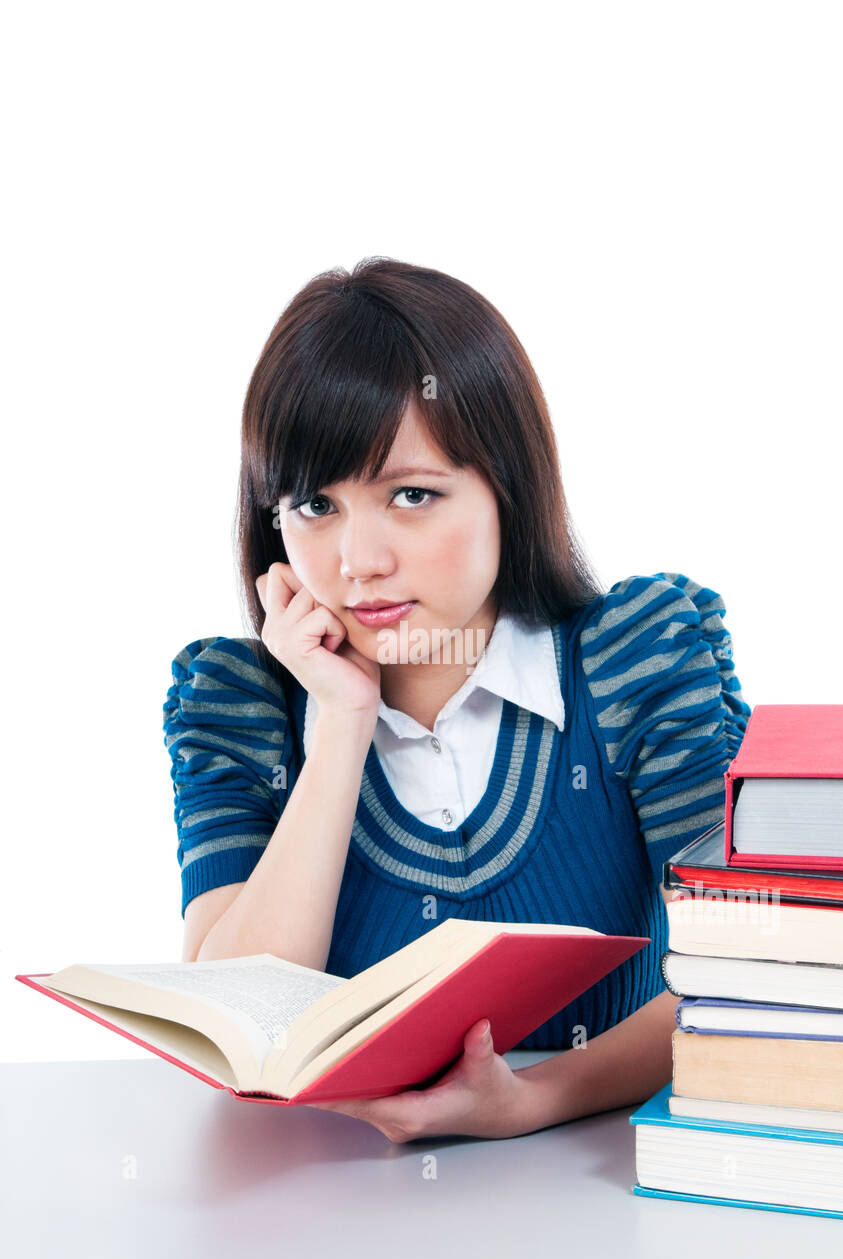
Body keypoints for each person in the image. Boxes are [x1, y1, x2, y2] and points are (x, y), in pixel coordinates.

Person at [162, 256, 750, 1142]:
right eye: (315, 504)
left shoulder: (635, 664)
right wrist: (343, 728)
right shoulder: (242, 708)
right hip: (328, 1222)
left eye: (411, 495)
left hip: (607, 1195)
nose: (358, 560)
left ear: (507, 489)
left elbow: (753, 974)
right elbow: (241, 1024)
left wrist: (536, 1101)